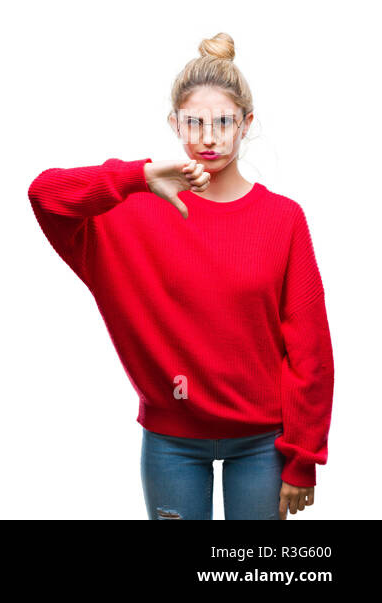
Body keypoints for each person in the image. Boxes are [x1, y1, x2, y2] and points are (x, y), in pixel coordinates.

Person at [28, 33, 332, 520]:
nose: (209, 137)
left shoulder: (283, 219)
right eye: (194, 122)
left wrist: (304, 457)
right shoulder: (132, 210)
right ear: (174, 124)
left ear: (247, 124)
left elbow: (310, 347)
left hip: (262, 441)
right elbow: (45, 194)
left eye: (224, 122)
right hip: (171, 441)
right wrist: (137, 177)